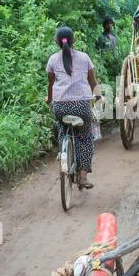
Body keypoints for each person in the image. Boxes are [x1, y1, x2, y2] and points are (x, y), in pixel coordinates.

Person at [47, 25, 98, 189]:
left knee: (62, 129)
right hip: (82, 105)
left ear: (56, 42)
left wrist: (49, 99)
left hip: (60, 106)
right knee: (85, 137)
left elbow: (51, 84)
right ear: (73, 40)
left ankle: (63, 155)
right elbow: (92, 82)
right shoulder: (84, 57)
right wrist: (97, 95)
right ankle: (83, 176)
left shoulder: (53, 59)